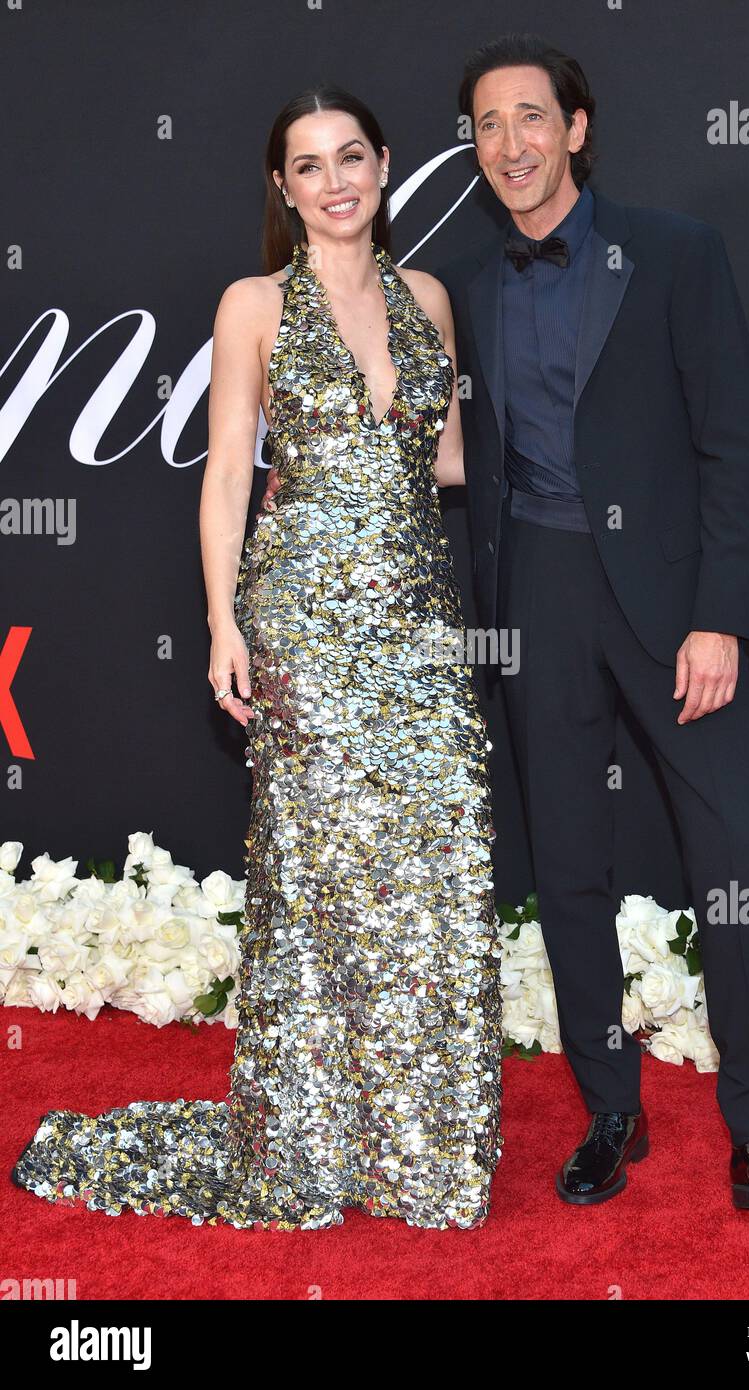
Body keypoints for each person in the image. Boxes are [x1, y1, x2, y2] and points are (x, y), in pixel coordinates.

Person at [267, 33, 749, 1215]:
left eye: (531, 118)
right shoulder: (458, 290)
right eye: (487, 126)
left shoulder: (679, 255)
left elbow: (732, 450)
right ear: (469, 148)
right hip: (533, 590)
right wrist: (318, 480)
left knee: (733, 863)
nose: (510, 145)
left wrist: (720, 617)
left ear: (574, 129)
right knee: (568, 870)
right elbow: (435, 446)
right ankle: (609, 1111)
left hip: (673, 603)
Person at [11, 86, 503, 1231]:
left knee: (433, 877)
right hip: (307, 623)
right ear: (281, 189)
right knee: (326, 884)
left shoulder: (427, 293)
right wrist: (228, 623)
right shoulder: (254, 305)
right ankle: (311, 1139)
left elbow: (448, 459)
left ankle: (418, 1152)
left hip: (421, 628)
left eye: (350, 158)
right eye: (306, 166)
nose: (333, 182)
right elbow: (228, 468)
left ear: (384, 165)